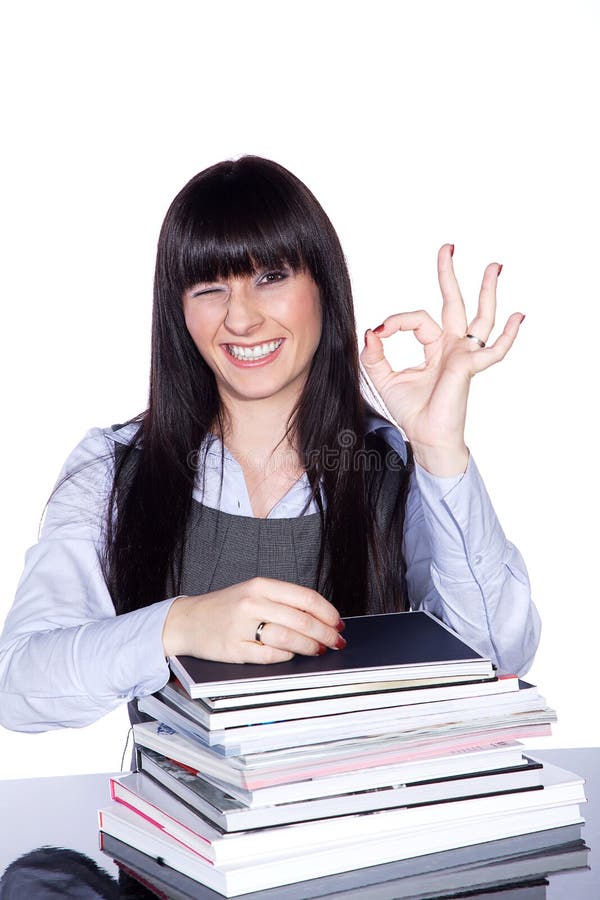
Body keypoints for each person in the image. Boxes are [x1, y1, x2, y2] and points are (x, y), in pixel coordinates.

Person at [0, 156, 540, 734]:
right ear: (177, 311)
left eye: (271, 278)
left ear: (323, 287)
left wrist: (438, 448)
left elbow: (497, 659)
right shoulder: (115, 468)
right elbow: (18, 685)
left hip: (365, 816)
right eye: (209, 288)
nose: (241, 318)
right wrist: (177, 626)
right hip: (185, 820)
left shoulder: (393, 467)